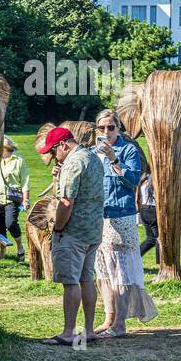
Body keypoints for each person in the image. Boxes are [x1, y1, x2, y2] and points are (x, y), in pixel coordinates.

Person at [93, 109, 156, 337]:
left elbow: (132, 182)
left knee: (121, 270)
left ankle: (120, 323)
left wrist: (113, 158)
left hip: (122, 216)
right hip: (98, 217)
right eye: (102, 128)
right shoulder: (91, 153)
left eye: (111, 127)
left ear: (118, 128)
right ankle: (108, 318)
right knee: (103, 270)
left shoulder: (128, 150)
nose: (107, 132)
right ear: (96, 129)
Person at [40, 126, 104, 346]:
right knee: (87, 279)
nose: (52, 156)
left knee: (70, 282)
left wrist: (58, 229)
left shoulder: (73, 164)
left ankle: (68, 332)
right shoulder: (92, 158)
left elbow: (66, 203)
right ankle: (88, 330)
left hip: (73, 232)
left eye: (52, 151)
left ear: (63, 145)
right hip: (93, 230)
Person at [0, 136, 29, 259]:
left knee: (10, 223)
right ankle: (2, 253)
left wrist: (26, 199)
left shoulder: (18, 161)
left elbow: (25, 181)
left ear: (5, 148)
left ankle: (20, 247)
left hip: (12, 198)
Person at [138, 172, 159, 257]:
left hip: (144, 209)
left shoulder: (143, 181)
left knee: (151, 239)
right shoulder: (154, 182)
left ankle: (136, 257)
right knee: (159, 239)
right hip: (152, 210)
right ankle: (163, 264)